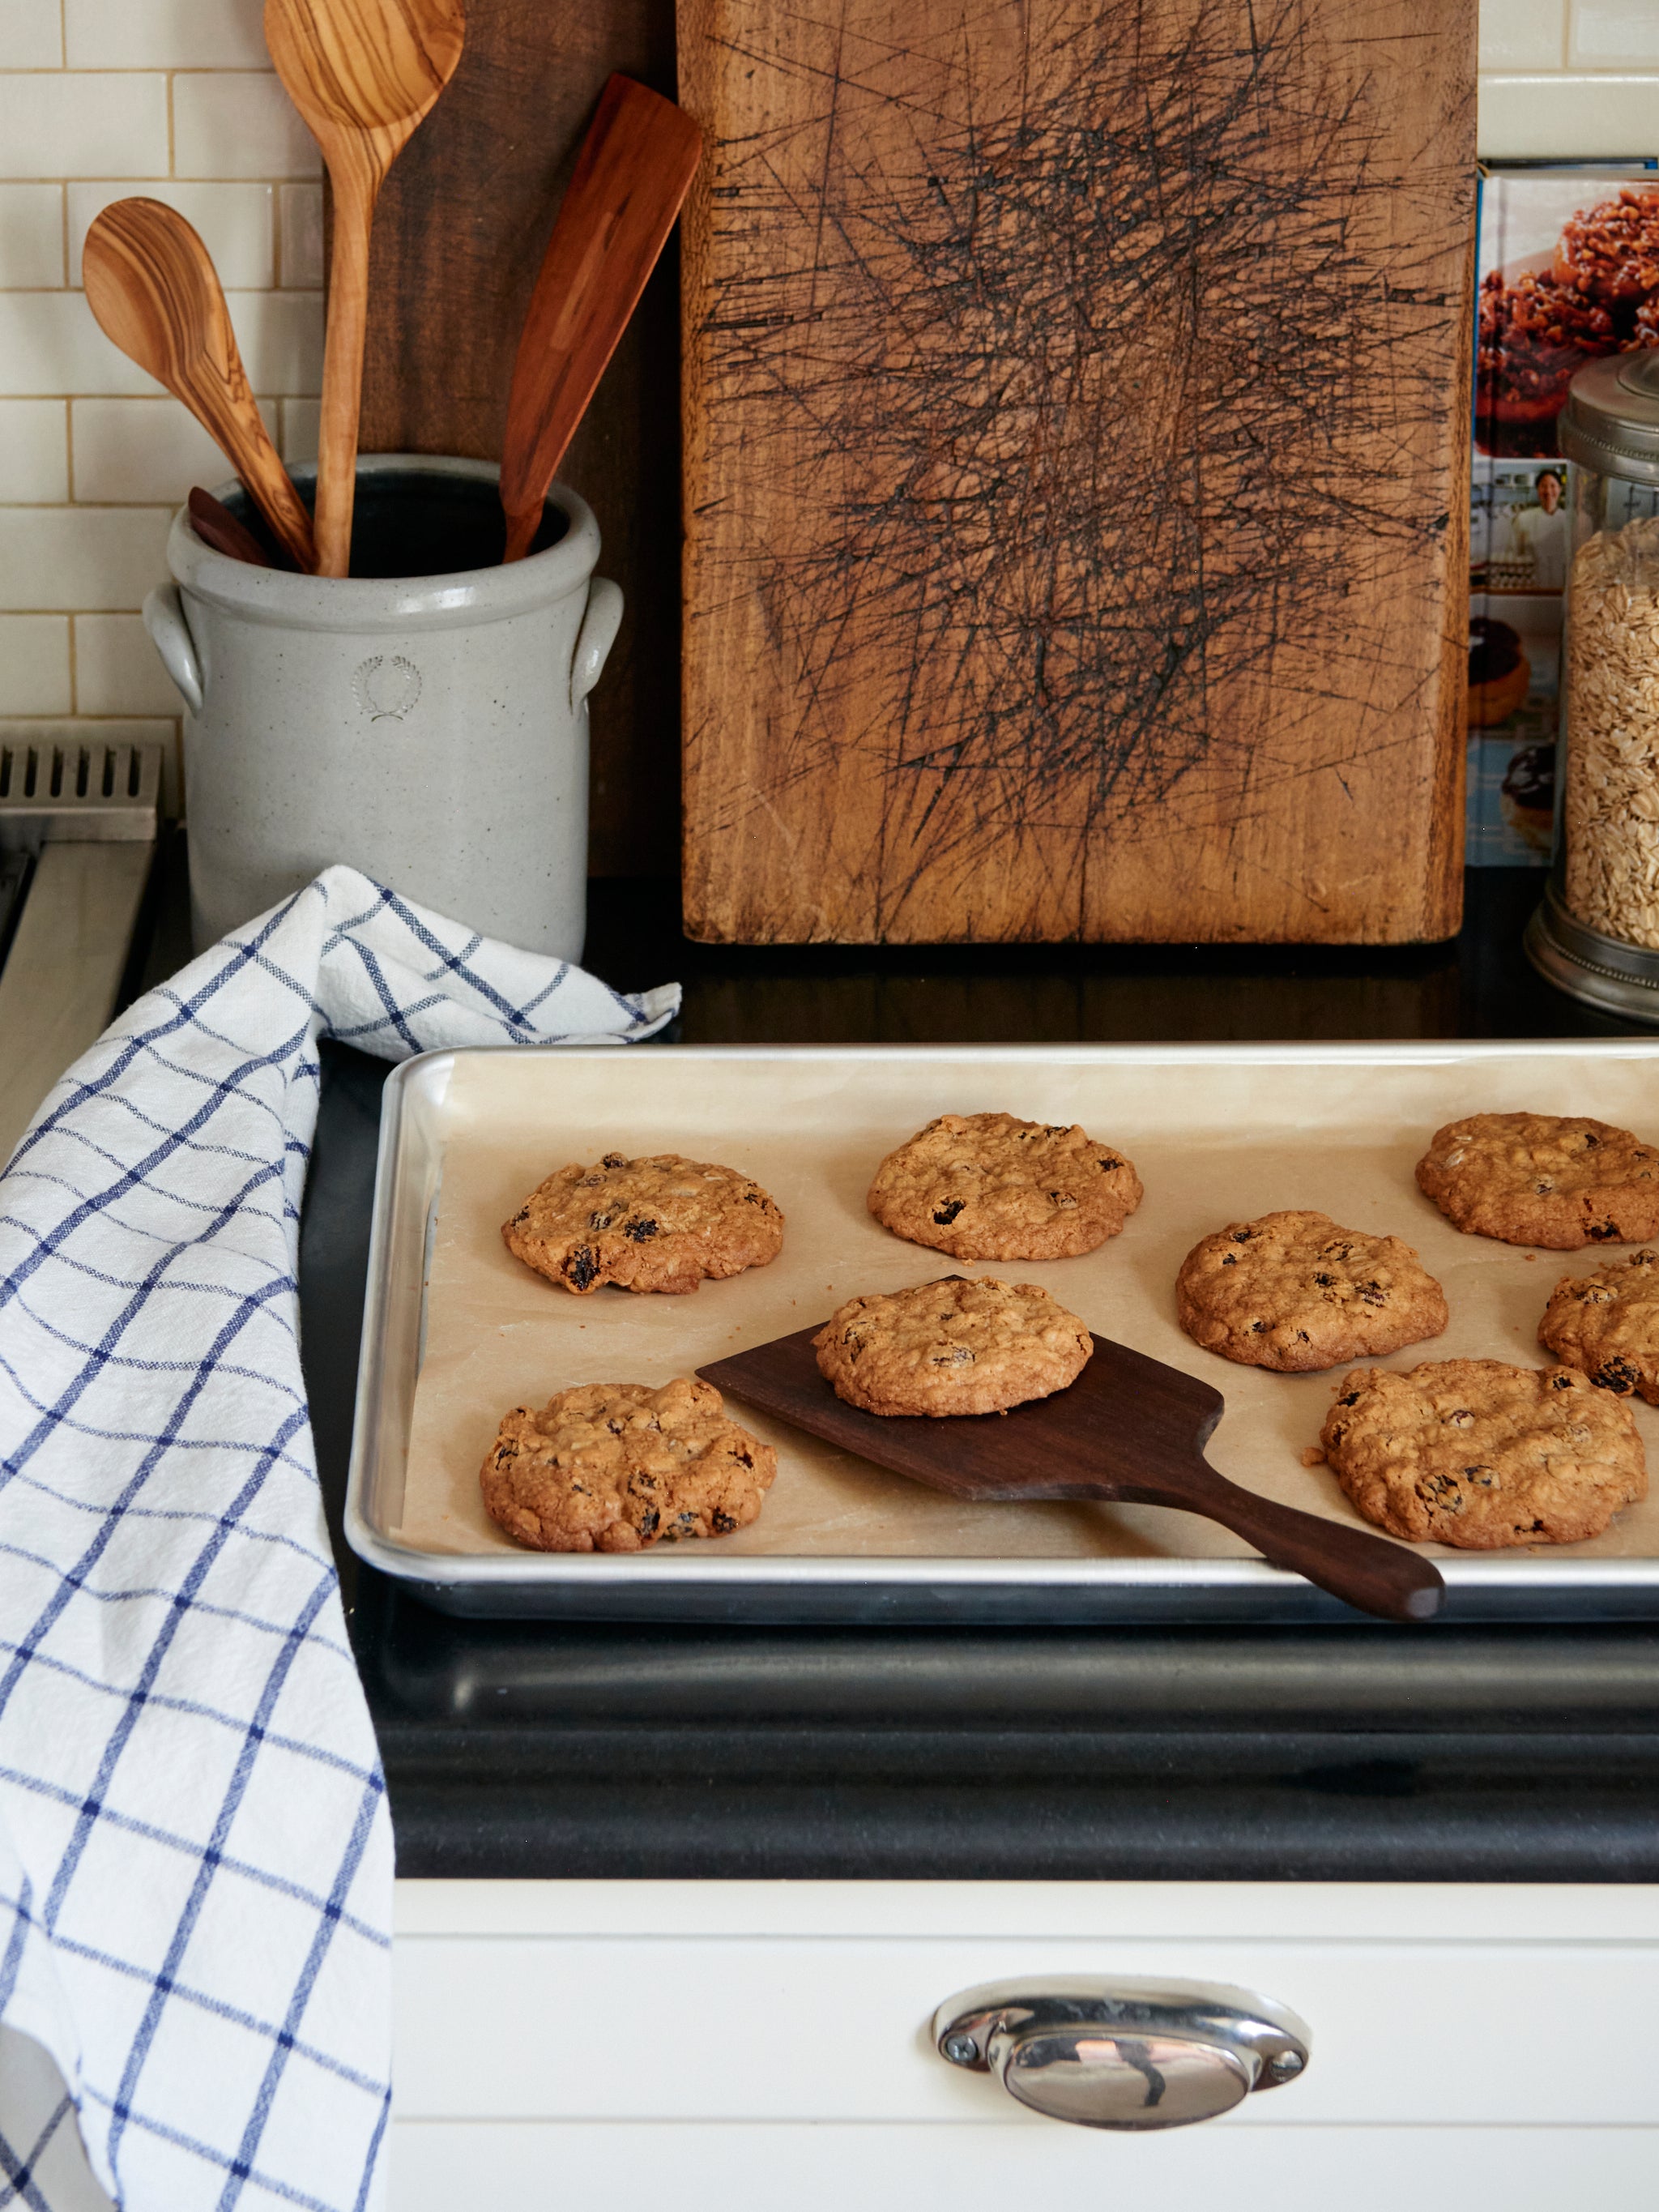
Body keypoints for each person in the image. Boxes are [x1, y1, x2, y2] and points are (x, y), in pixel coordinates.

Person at [1507, 468, 1569, 589]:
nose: (1548, 491)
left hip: (1563, 585)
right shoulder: (1523, 519)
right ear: (1537, 490)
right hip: (1531, 583)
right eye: (1543, 486)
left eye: (1553, 486)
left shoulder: (1568, 520)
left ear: (1560, 489)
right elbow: (1514, 553)